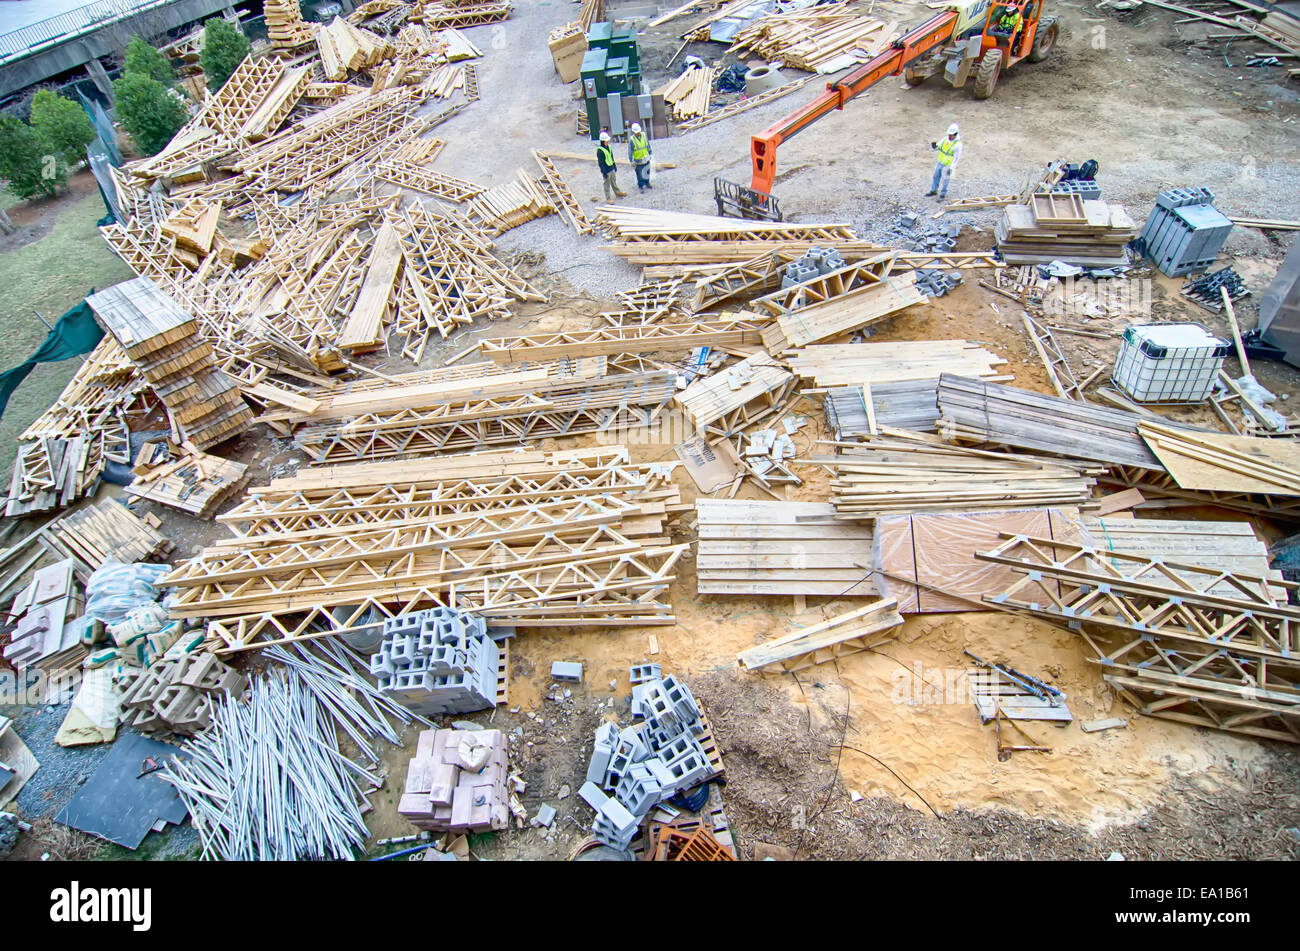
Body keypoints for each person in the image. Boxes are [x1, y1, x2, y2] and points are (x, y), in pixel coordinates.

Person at [926, 123, 962, 201]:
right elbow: (939, 146)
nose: (949, 136)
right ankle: (933, 190)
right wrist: (935, 147)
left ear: (955, 134)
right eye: (949, 134)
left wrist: (952, 167)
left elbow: (956, 158)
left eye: (951, 134)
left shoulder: (958, 145)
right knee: (936, 176)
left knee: (945, 179)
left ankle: (943, 194)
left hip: (948, 164)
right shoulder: (945, 139)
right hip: (940, 161)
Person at [596, 130, 627, 201]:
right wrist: (604, 172)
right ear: (602, 141)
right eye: (606, 141)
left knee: (613, 181)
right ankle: (608, 197)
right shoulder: (600, 151)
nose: (607, 142)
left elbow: (611, 157)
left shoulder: (609, 147)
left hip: (611, 167)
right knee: (607, 184)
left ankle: (617, 192)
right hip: (606, 169)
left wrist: (614, 166)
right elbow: (601, 163)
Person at [627, 122, 653, 191]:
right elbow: (630, 151)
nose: (638, 133)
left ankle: (647, 183)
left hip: (646, 158)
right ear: (633, 132)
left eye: (638, 131)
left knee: (647, 171)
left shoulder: (644, 135)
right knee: (640, 175)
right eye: (636, 132)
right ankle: (641, 186)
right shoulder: (632, 140)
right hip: (638, 160)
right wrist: (631, 161)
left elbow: (648, 145)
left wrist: (650, 153)